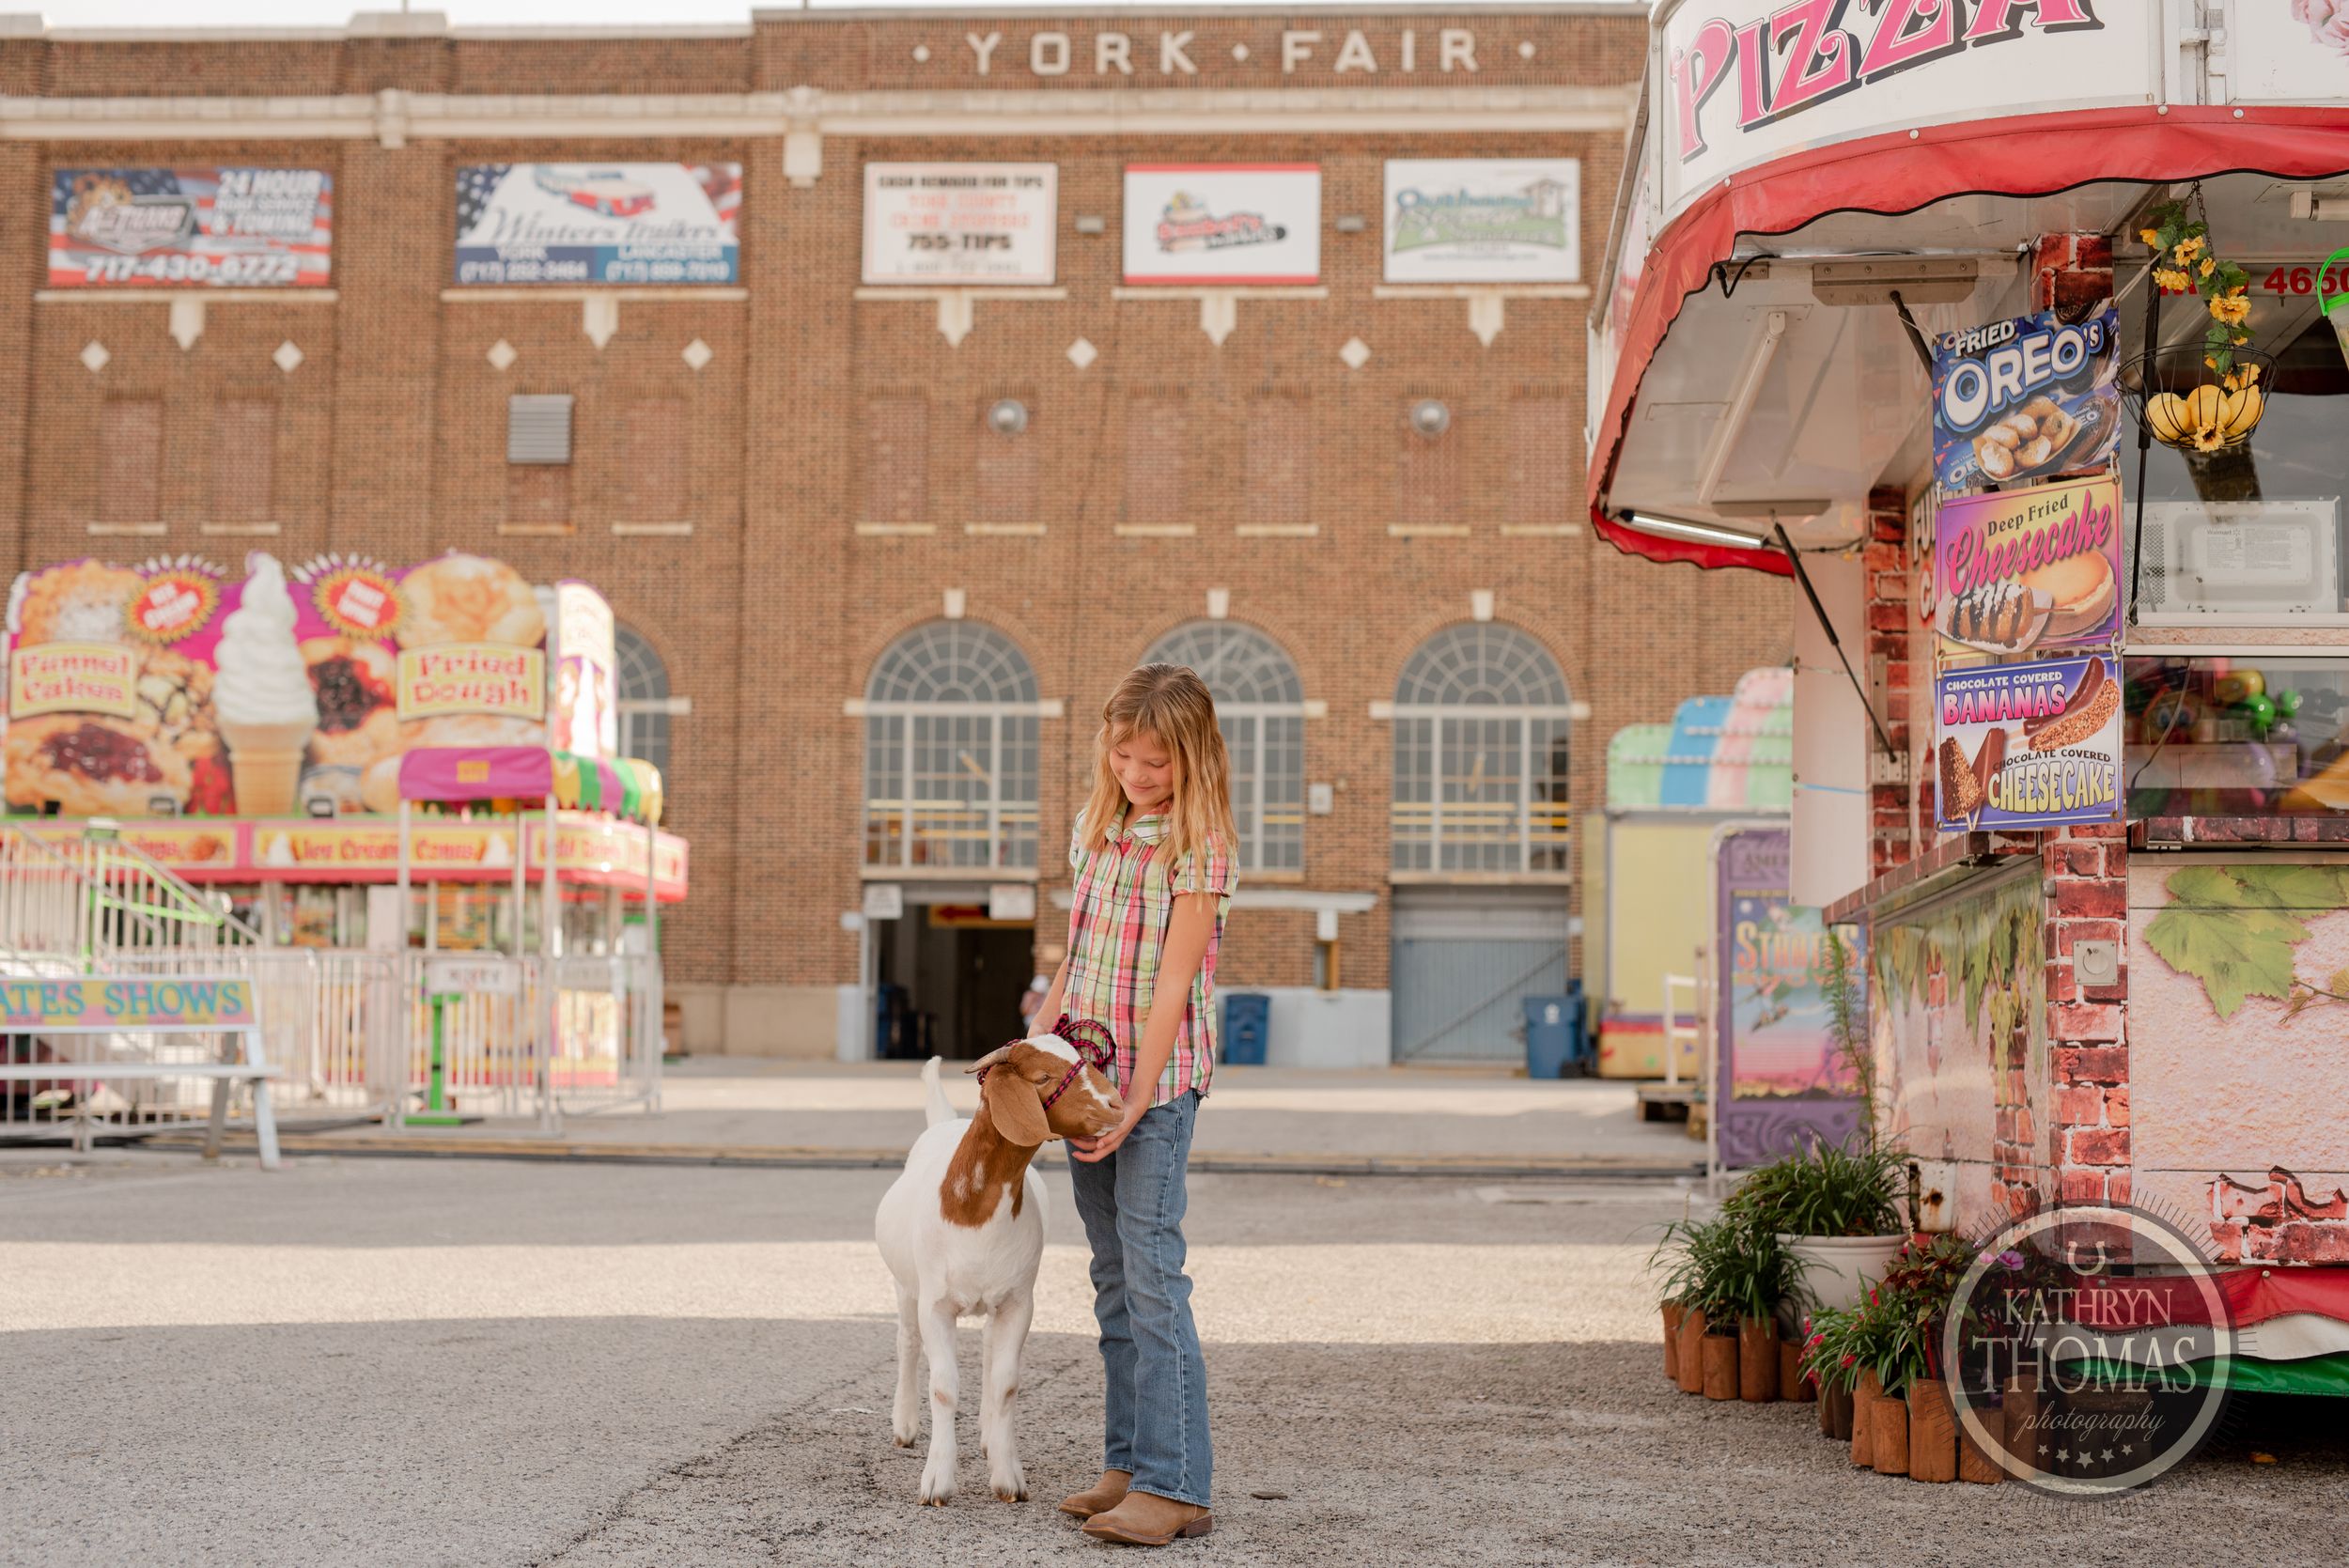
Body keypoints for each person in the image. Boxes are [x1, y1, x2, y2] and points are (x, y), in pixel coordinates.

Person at [1028, 663, 1236, 1547]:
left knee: (1154, 1279)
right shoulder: (1098, 829)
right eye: (1123, 754)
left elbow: (1174, 981)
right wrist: (1038, 1044)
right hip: (1086, 1083)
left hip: (1153, 1084)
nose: (1137, 774)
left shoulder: (1202, 845)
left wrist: (1140, 1098)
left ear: (1192, 758)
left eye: (1156, 762)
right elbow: (1075, 958)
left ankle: (1176, 1482)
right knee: (1111, 1279)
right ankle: (1126, 1463)